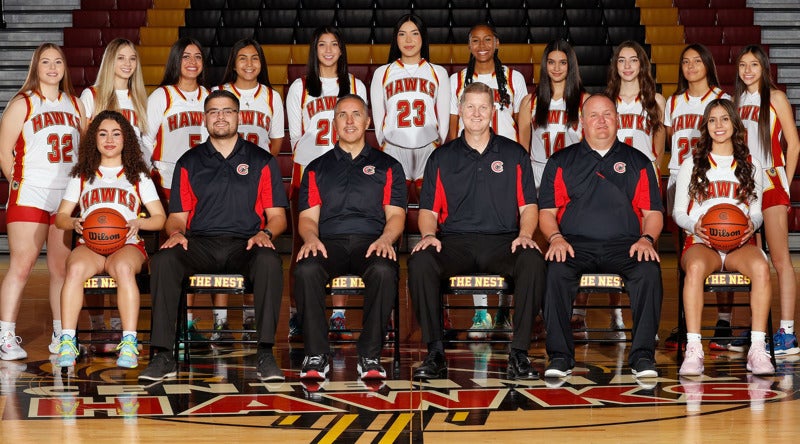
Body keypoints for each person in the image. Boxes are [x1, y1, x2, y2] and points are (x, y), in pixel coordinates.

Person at [137, 90, 287, 382]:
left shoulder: (262, 160)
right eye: (214, 111)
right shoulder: (189, 161)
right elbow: (177, 218)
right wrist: (176, 233)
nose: (221, 117)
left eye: (227, 111)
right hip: (200, 244)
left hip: (245, 244)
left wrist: (265, 233)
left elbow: (278, 216)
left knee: (269, 260)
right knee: (166, 259)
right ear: (204, 119)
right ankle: (163, 354)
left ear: (239, 116)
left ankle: (266, 353)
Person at [408, 82, 545, 381]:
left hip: (503, 241)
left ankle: (519, 354)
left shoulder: (514, 154)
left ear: (493, 110)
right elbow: (428, 212)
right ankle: (435, 353)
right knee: (420, 261)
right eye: (470, 106)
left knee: (533, 260)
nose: (476, 113)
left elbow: (528, 208)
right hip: (455, 242)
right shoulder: (442, 157)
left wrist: (525, 235)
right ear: (460, 110)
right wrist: (429, 236)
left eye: (483, 107)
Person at [538, 94, 663, 380]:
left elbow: (653, 213)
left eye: (607, 114)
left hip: (626, 245)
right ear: (581, 122)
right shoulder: (560, 161)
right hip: (573, 244)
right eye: (594, 115)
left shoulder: (638, 162)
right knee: (554, 270)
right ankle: (560, 355)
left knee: (648, 271)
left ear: (618, 119)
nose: (601, 121)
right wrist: (555, 238)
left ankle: (642, 356)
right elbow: (546, 212)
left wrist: (646, 239)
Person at [294, 94, 406, 380]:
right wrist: (310, 238)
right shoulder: (316, 168)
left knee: (383, 269)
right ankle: (316, 354)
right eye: (342, 115)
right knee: (306, 269)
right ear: (334, 123)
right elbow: (307, 218)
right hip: (328, 242)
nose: (349, 120)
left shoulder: (388, 165)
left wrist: (386, 239)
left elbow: (395, 216)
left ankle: (369, 354)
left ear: (368, 121)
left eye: (356, 114)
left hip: (371, 242)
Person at [53, 111, 165, 368]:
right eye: (103, 133)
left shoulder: (139, 176)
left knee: (124, 269)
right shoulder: (82, 174)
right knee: (75, 268)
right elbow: (61, 217)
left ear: (126, 139)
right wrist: (73, 222)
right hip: (90, 244)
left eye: (116, 133)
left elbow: (160, 218)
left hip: (127, 243)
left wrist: (140, 222)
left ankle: (128, 341)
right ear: (94, 139)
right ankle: (68, 339)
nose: (110, 139)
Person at [674, 98, 774, 376]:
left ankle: (756, 348)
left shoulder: (750, 166)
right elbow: (679, 212)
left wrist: (750, 226)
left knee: (761, 267)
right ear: (706, 126)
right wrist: (695, 227)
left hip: (738, 244)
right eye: (713, 120)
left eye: (725, 119)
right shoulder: (691, 162)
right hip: (702, 242)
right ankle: (694, 349)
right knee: (694, 268)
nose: (719, 125)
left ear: (734, 124)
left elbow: (757, 212)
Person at [0, 43, 86, 360]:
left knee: (61, 270)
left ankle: (61, 335)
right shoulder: (22, 103)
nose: (52, 67)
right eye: (45, 62)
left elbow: (85, 152)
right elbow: (4, 151)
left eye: (58, 61)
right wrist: (18, 183)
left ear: (65, 67)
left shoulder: (76, 105)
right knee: (21, 267)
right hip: (31, 194)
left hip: (65, 197)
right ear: (36, 67)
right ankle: (5, 335)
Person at [286, 26, 368, 343]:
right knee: (301, 245)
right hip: (309, 171)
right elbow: (296, 137)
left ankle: (338, 314)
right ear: (314, 49)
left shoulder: (355, 84)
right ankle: (298, 314)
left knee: (341, 236)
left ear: (342, 49)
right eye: (322, 44)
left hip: (346, 172)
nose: (329, 49)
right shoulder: (300, 87)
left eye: (335, 43)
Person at [447, 23, 529, 339]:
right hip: (469, 162)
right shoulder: (457, 80)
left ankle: (503, 310)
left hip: (506, 163)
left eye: (487, 39)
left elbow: (523, 124)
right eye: (475, 40)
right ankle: (480, 312)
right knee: (474, 230)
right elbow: (454, 127)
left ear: (497, 42)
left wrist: (521, 159)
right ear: (469, 45)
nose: (482, 45)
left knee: (506, 233)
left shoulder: (514, 78)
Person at [212, 38, 286, 342]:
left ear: (261, 63)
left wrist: (258, 163)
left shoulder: (271, 96)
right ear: (234, 62)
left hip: (257, 175)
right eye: (242, 58)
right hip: (224, 174)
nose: (249, 64)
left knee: (255, 246)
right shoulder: (221, 92)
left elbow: (276, 141)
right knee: (219, 243)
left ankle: (249, 318)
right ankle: (219, 321)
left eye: (254, 58)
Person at [79, 38, 150, 353]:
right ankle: (97, 325)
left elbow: (147, 145)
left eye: (132, 59)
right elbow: (84, 142)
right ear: (110, 61)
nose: (127, 64)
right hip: (98, 184)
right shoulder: (91, 96)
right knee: (95, 244)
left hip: (133, 184)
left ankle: (123, 325)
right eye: (121, 58)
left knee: (125, 251)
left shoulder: (141, 98)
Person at [593, 41, 667, 342]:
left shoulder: (655, 100)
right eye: (621, 60)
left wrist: (651, 175)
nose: (627, 66)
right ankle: (617, 313)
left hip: (643, 178)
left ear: (642, 65)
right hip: (612, 180)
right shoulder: (607, 99)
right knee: (614, 240)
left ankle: (646, 321)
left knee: (647, 246)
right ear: (615, 66)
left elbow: (658, 149)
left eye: (633, 60)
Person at [663, 44, 733, 351]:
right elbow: (669, 140)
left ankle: (724, 320)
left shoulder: (721, 99)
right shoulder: (674, 101)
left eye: (696, 61)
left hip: (712, 177)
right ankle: (686, 319)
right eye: (685, 61)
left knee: (723, 238)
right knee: (686, 253)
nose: (690, 66)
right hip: (680, 176)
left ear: (707, 64)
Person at [518, 40, 587, 341]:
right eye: (551, 62)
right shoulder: (530, 103)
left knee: (574, 249)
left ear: (571, 66)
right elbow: (521, 149)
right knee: (537, 249)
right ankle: (535, 313)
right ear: (544, 66)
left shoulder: (583, 102)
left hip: (572, 185)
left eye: (562, 62)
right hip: (536, 181)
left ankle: (572, 313)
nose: (556, 68)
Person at [142, 37, 210, 342]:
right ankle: (168, 317)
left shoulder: (210, 95)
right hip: (169, 183)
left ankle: (190, 320)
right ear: (175, 61)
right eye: (186, 57)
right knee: (172, 254)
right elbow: (145, 141)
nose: (192, 62)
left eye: (197, 56)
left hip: (202, 186)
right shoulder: (162, 96)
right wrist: (149, 177)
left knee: (194, 251)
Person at [735, 45, 800, 356]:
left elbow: (794, 144)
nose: (748, 70)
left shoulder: (775, 98)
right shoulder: (737, 102)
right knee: (754, 263)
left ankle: (787, 332)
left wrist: (782, 181)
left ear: (764, 67)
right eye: (743, 65)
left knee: (779, 260)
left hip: (771, 186)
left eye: (753, 65)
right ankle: (756, 328)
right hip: (743, 189)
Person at [370, 14, 450, 197]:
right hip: (393, 148)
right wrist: (385, 143)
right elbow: (378, 117)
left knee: (429, 209)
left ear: (423, 37)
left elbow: (443, 120)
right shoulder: (383, 73)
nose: (408, 40)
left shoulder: (438, 72)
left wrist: (437, 143)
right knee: (394, 209)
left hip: (428, 147)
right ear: (395, 38)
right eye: (402, 34)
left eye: (414, 33)